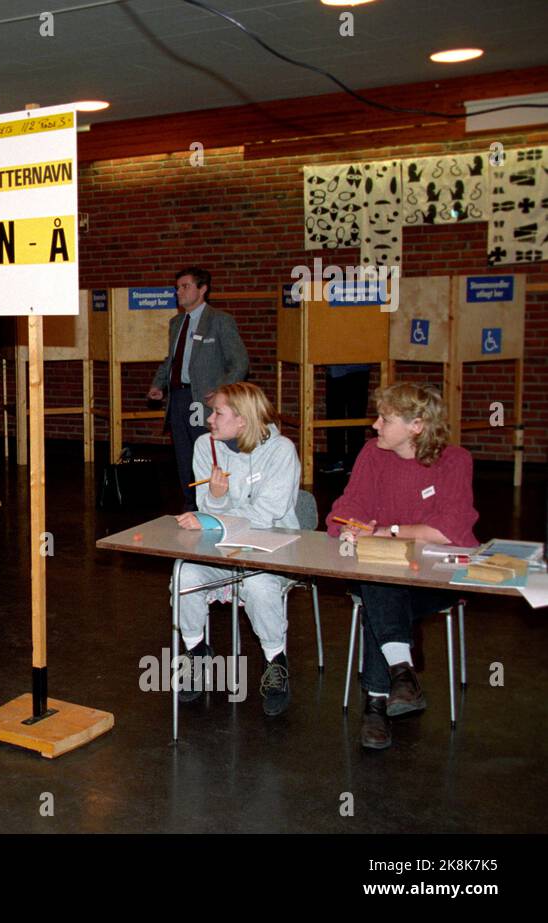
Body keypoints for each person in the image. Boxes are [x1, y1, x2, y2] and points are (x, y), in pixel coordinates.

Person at [327, 383, 478, 750]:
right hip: (387, 574)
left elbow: (447, 530)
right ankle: (401, 676)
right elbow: (345, 510)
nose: (375, 425)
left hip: (436, 580)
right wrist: (351, 526)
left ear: (417, 426)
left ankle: (377, 703)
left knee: (380, 597)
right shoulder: (371, 455)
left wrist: (384, 531)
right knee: (381, 580)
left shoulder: (455, 461)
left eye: (385, 419)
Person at [172, 382, 301, 716]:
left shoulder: (281, 450)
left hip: (271, 552)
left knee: (258, 585)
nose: (209, 419)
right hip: (222, 551)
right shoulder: (205, 447)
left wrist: (217, 512)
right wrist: (215, 499)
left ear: (242, 420)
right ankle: (196, 652)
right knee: (184, 574)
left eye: (218, 413)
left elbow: (267, 515)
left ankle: (276, 661)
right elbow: (203, 505)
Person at [147, 268, 249, 512]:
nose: (179, 292)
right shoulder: (176, 323)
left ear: (202, 289)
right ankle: (190, 504)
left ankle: (215, 504)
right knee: (183, 456)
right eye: (177, 288)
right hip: (179, 397)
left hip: (203, 399)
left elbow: (240, 362)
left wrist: (221, 394)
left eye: (185, 286)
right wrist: (158, 384)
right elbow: (171, 359)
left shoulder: (219, 320)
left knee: (206, 451)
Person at [322, 364, 372, 474]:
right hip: (335, 368)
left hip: (357, 368)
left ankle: (355, 461)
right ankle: (336, 459)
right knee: (334, 415)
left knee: (356, 416)